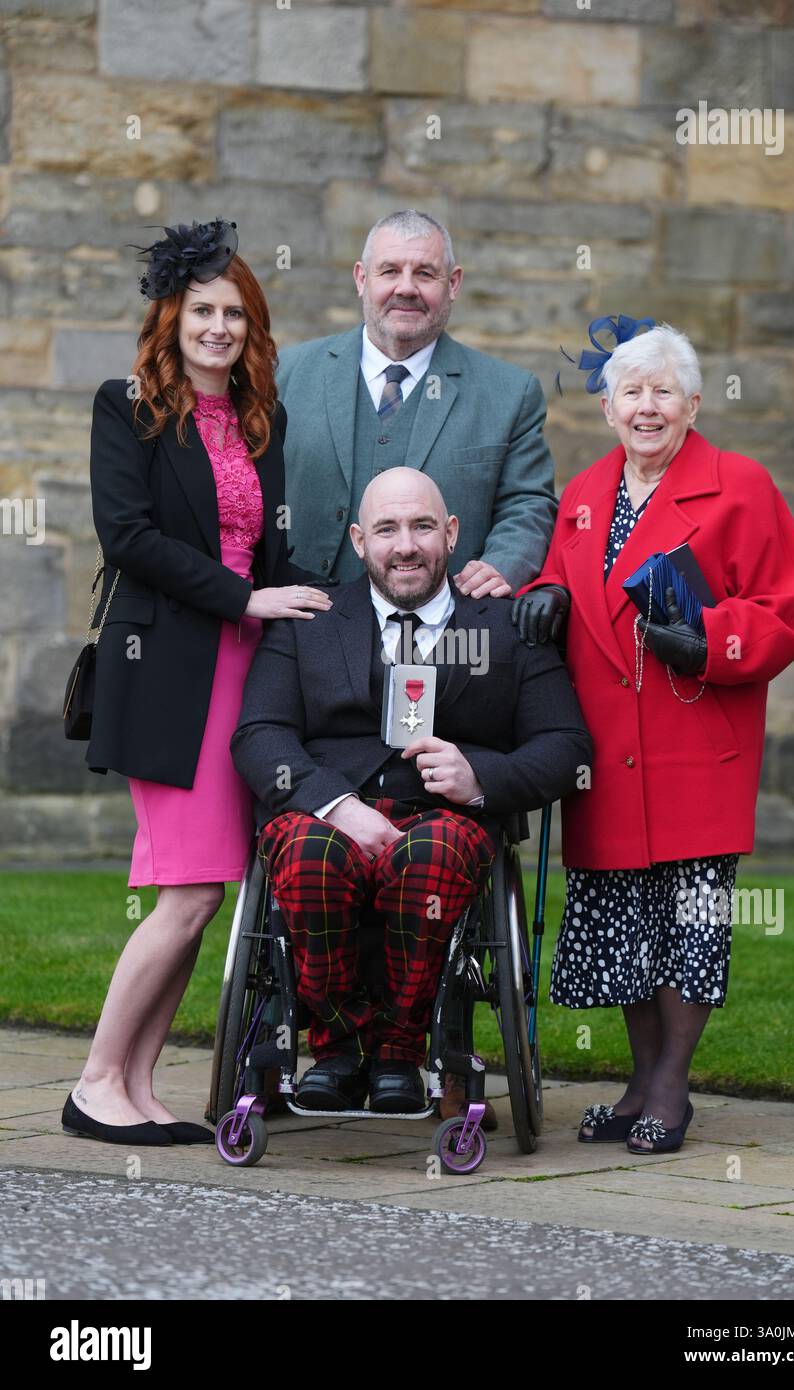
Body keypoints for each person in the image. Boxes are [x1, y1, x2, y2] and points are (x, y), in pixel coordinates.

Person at [512, 319, 794, 1154]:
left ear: (691, 403)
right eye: (629, 393)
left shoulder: (739, 485)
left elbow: (783, 609)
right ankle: (639, 1083)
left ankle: (671, 1092)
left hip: (694, 742)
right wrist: (541, 592)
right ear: (606, 407)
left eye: (662, 392)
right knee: (622, 930)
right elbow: (571, 581)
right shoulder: (580, 495)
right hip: (603, 750)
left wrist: (710, 639)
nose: (646, 408)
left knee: (688, 927)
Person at [62, 219, 332, 1148]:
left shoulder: (261, 419)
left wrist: (315, 603)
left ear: (251, 328)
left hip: (242, 665)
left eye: (234, 313)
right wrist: (249, 597)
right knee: (187, 892)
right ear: (172, 318)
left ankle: (136, 1083)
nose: (217, 327)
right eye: (201, 310)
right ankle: (95, 1080)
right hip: (165, 667)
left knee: (201, 889)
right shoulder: (127, 405)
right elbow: (128, 540)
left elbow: (270, 547)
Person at [231, 468, 591, 1116]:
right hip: (326, 808)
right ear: (359, 539)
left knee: (429, 859)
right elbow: (259, 734)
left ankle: (399, 1051)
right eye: (388, 529)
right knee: (313, 858)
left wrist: (483, 778)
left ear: (450, 534)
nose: (406, 545)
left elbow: (565, 744)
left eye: (422, 526)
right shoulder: (308, 619)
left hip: (446, 817)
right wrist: (336, 805)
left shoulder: (506, 626)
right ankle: (336, 1048)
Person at [274, 208, 558, 598]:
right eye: (389, 271)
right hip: (303, 623)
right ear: (361, 278)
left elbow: (527, 503)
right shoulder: (284, 374)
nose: (406, 288)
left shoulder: (510, 393)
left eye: (425, 273)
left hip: (447, 630)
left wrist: (502, 564)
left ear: (453, 284)